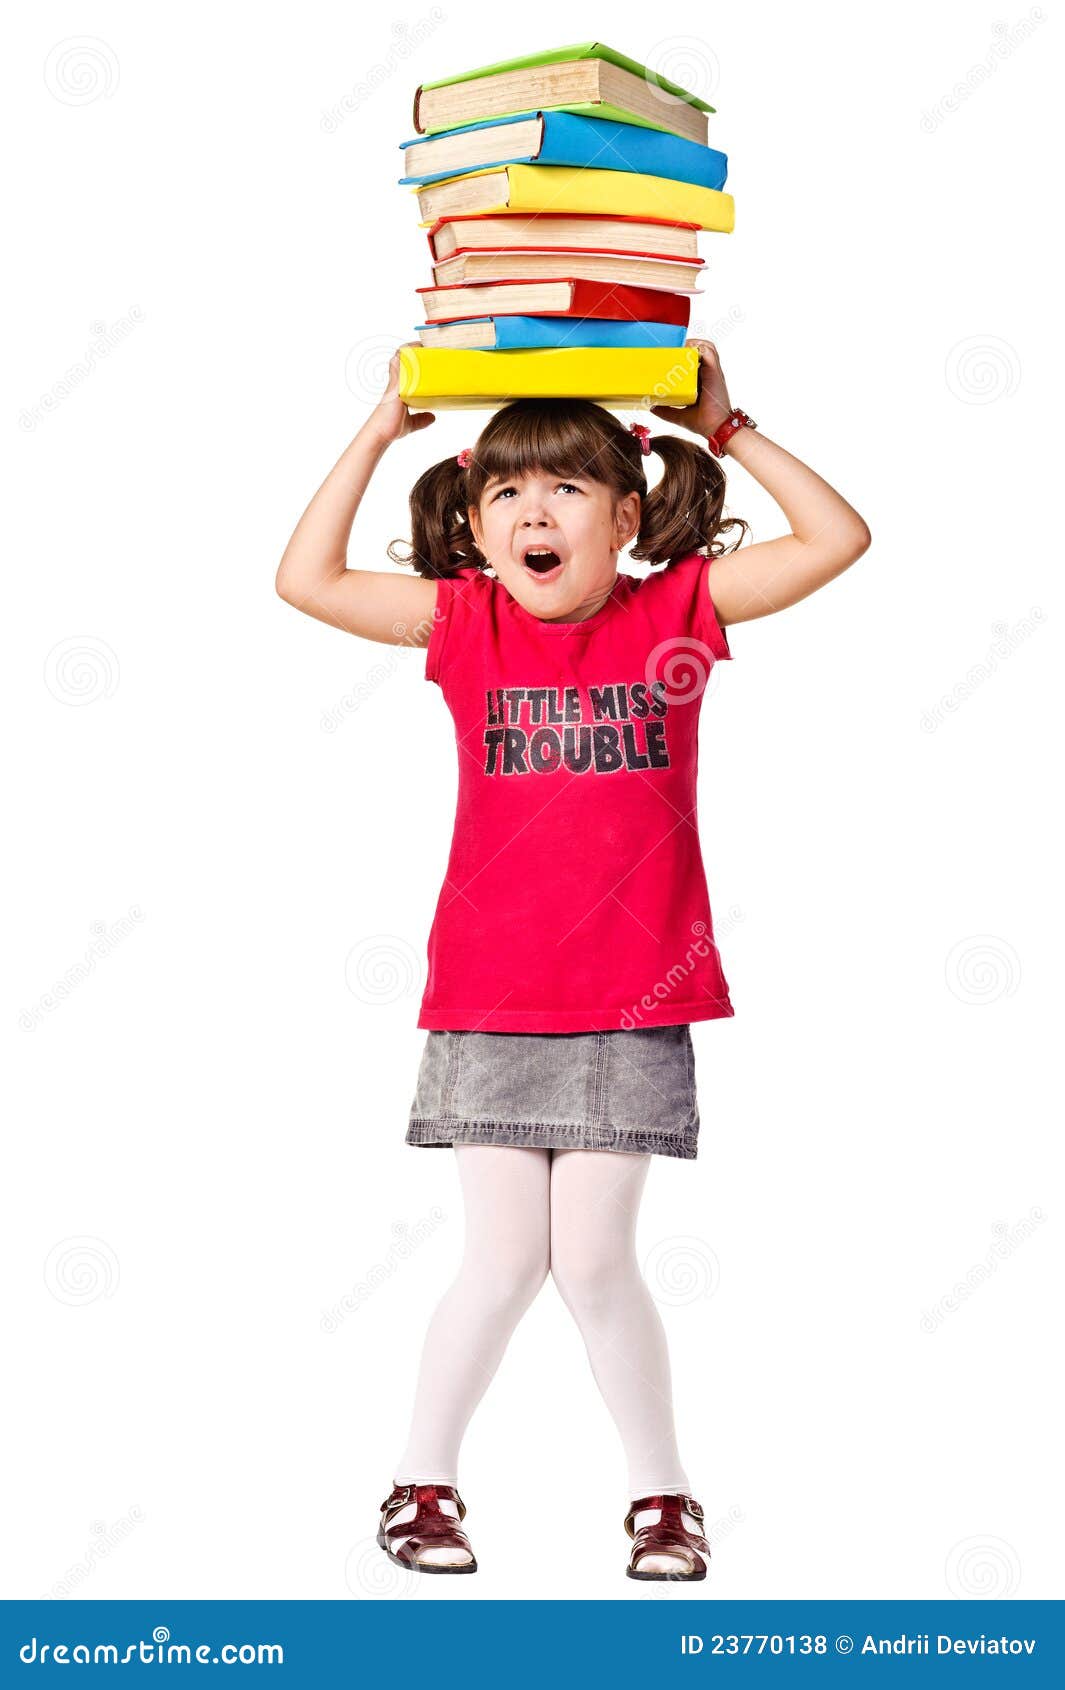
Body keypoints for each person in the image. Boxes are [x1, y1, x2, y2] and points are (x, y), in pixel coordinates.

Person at [276, 340, 871, 1580]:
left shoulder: (675, 612)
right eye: (505, 493)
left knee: (594, 1259)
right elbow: (306, 578)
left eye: (564, 490)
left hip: (632, 996)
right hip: (491, 997)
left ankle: (663, 1498)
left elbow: (838, 539)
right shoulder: (469, 624)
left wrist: (732, 422)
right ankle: (422, 1484)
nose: (533, 512)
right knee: (500, 1260)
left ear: (627, 516)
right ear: (477, 527)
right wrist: (381, 425)